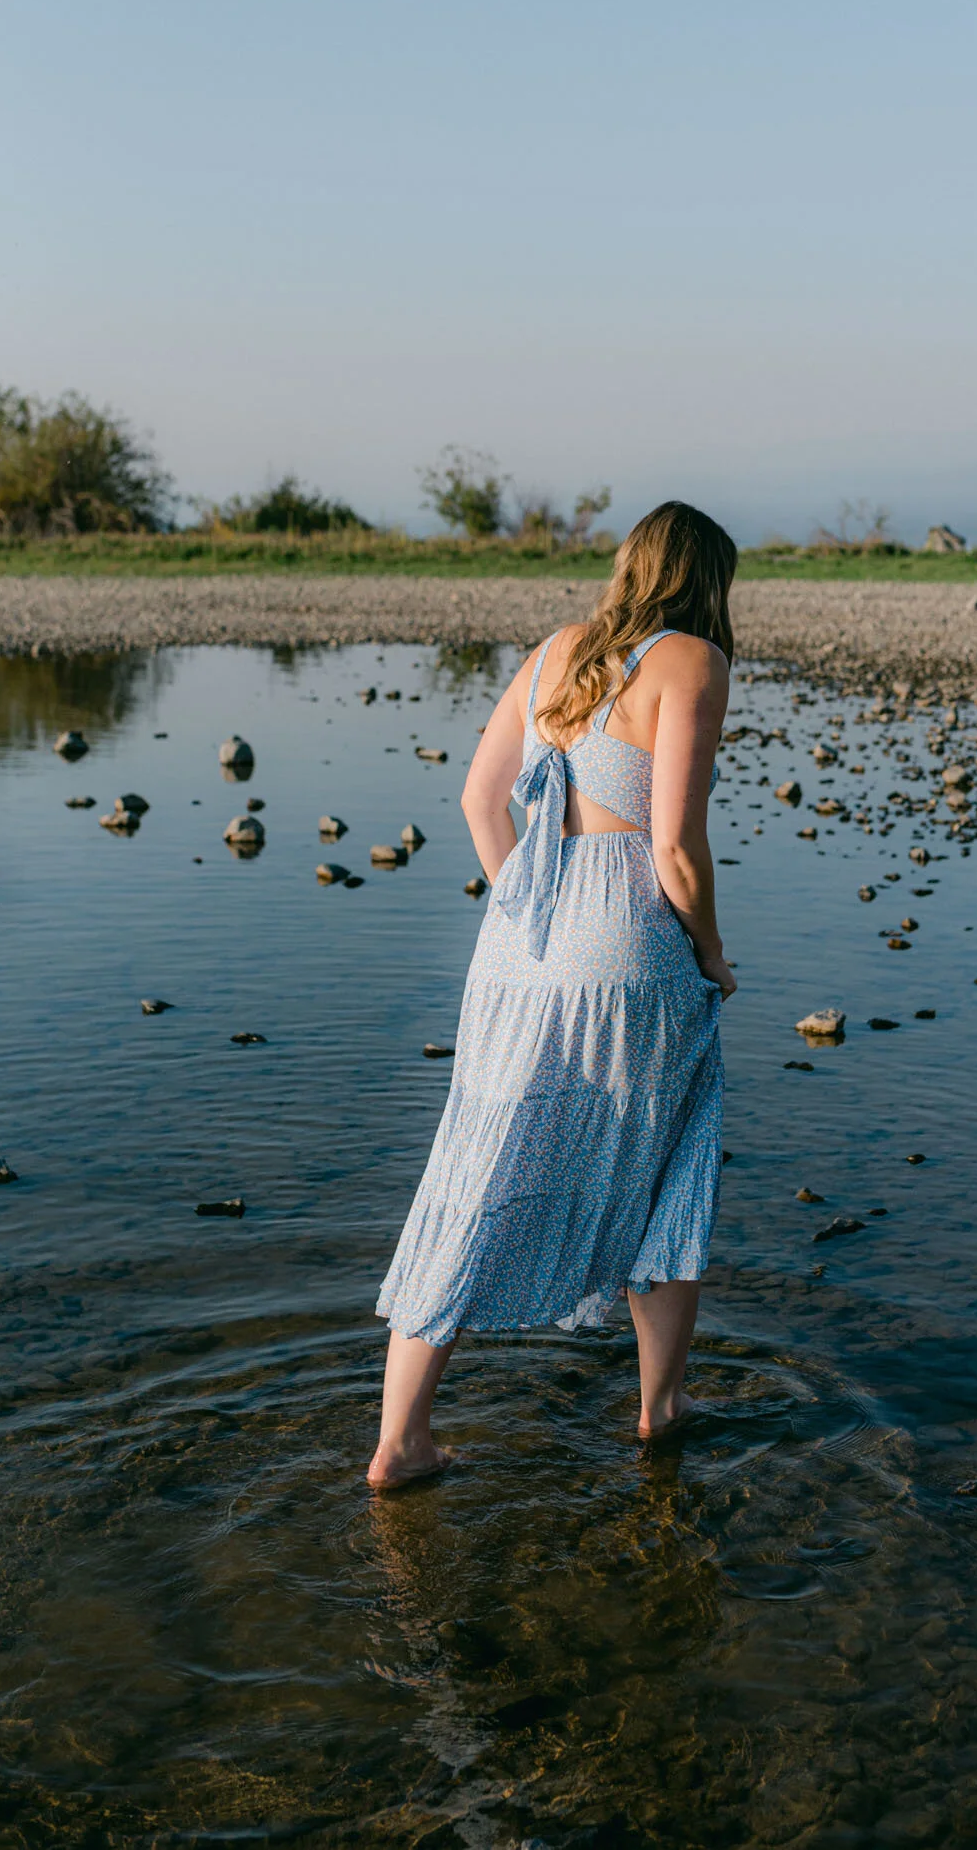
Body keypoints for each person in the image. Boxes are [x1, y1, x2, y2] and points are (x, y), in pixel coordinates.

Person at [370, 500, 738, 1488]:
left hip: (514, 951)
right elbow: (672, 848)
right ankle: (659, 1409)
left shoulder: (556, 653)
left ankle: (401, 1437)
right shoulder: (694, 661)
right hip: (630, 951)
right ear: (707, 581)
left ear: (630, 565)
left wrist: (532, 908)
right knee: (669, 1166)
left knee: (477, 1167)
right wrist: (712, 955)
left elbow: (479, 801)